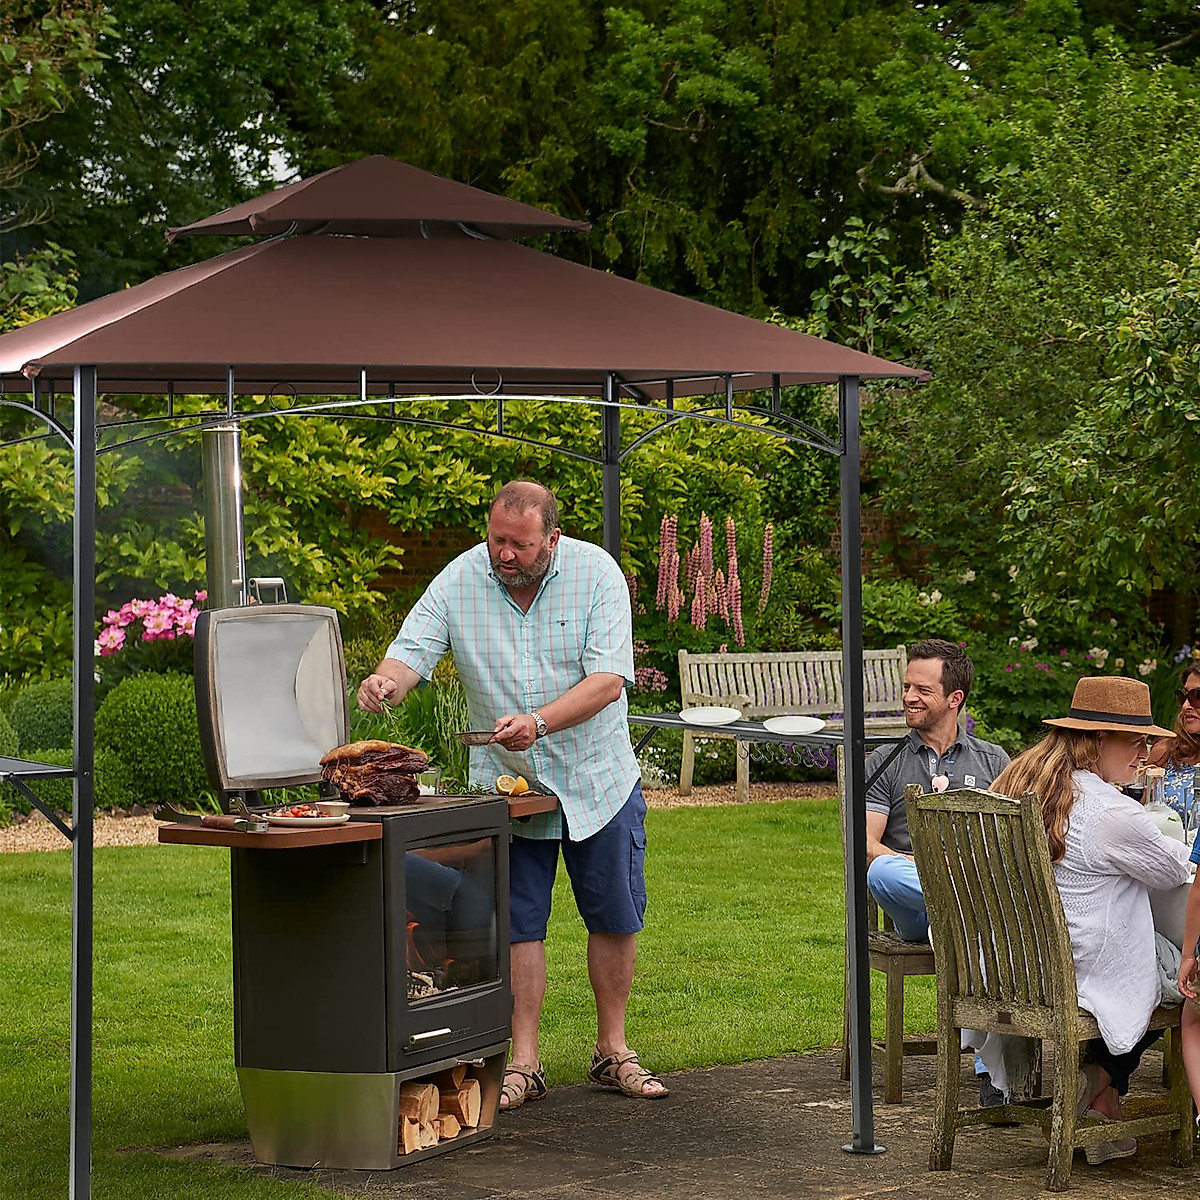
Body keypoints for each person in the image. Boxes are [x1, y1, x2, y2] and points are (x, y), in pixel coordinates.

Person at [357, 480, 667, 1109]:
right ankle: (523, 1061)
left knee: (613, 912)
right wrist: (385, 683)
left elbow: (609, 680)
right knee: (518, 921)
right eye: (496, 539)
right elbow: (409, 654)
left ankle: (613, 1049)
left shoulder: (596, 574)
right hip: (508, 787)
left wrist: (542, 722)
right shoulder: (458, 579)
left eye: (520, 545)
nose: (504, 554)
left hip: (596, 778)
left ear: (551, 538)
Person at [991, 675, 1190, 1164]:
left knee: (1158, 957)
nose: (1144, 752)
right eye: (1137, 740)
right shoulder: (1109, 811)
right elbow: (1173, 870)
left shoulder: (1020, 784)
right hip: (1077, 967)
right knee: (1185, 972)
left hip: (1013, 963)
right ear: (1098, 739)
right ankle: (1100, 1078)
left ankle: (1103, 1100)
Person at [864, 637, 1010, 1104]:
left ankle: (994, 1073)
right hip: (915, 905)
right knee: (881, 874)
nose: (909, 696)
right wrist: (928, 867)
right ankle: (999, 1071)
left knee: (972, 927)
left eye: (922, 689)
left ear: (955, 699)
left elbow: (1011, 846)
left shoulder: (994, 762)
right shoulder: (886, 760)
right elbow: (866, 846)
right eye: (907, 686)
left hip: (970, 903)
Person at [1146, 663, 1200, 828]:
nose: (1185, 706)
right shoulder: (1165, 752)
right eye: (1183, 696)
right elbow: (1142, 816)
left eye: (1196, 696)